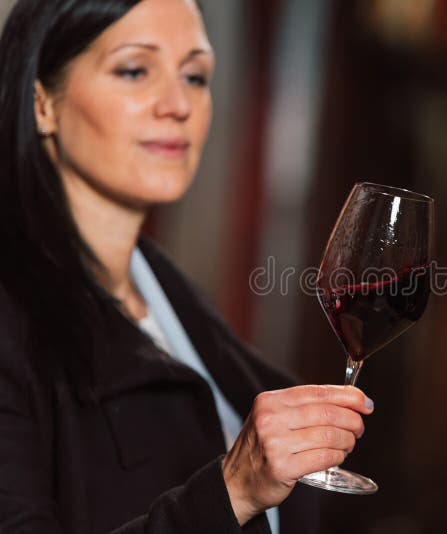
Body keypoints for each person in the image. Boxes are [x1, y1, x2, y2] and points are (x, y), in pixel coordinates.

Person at [0, 1, 374, 533]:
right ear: (42, 102)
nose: (178, 104)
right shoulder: (12, 314)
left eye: (195, 76)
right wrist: (234, 490)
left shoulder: (171, 299)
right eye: (135, 70)